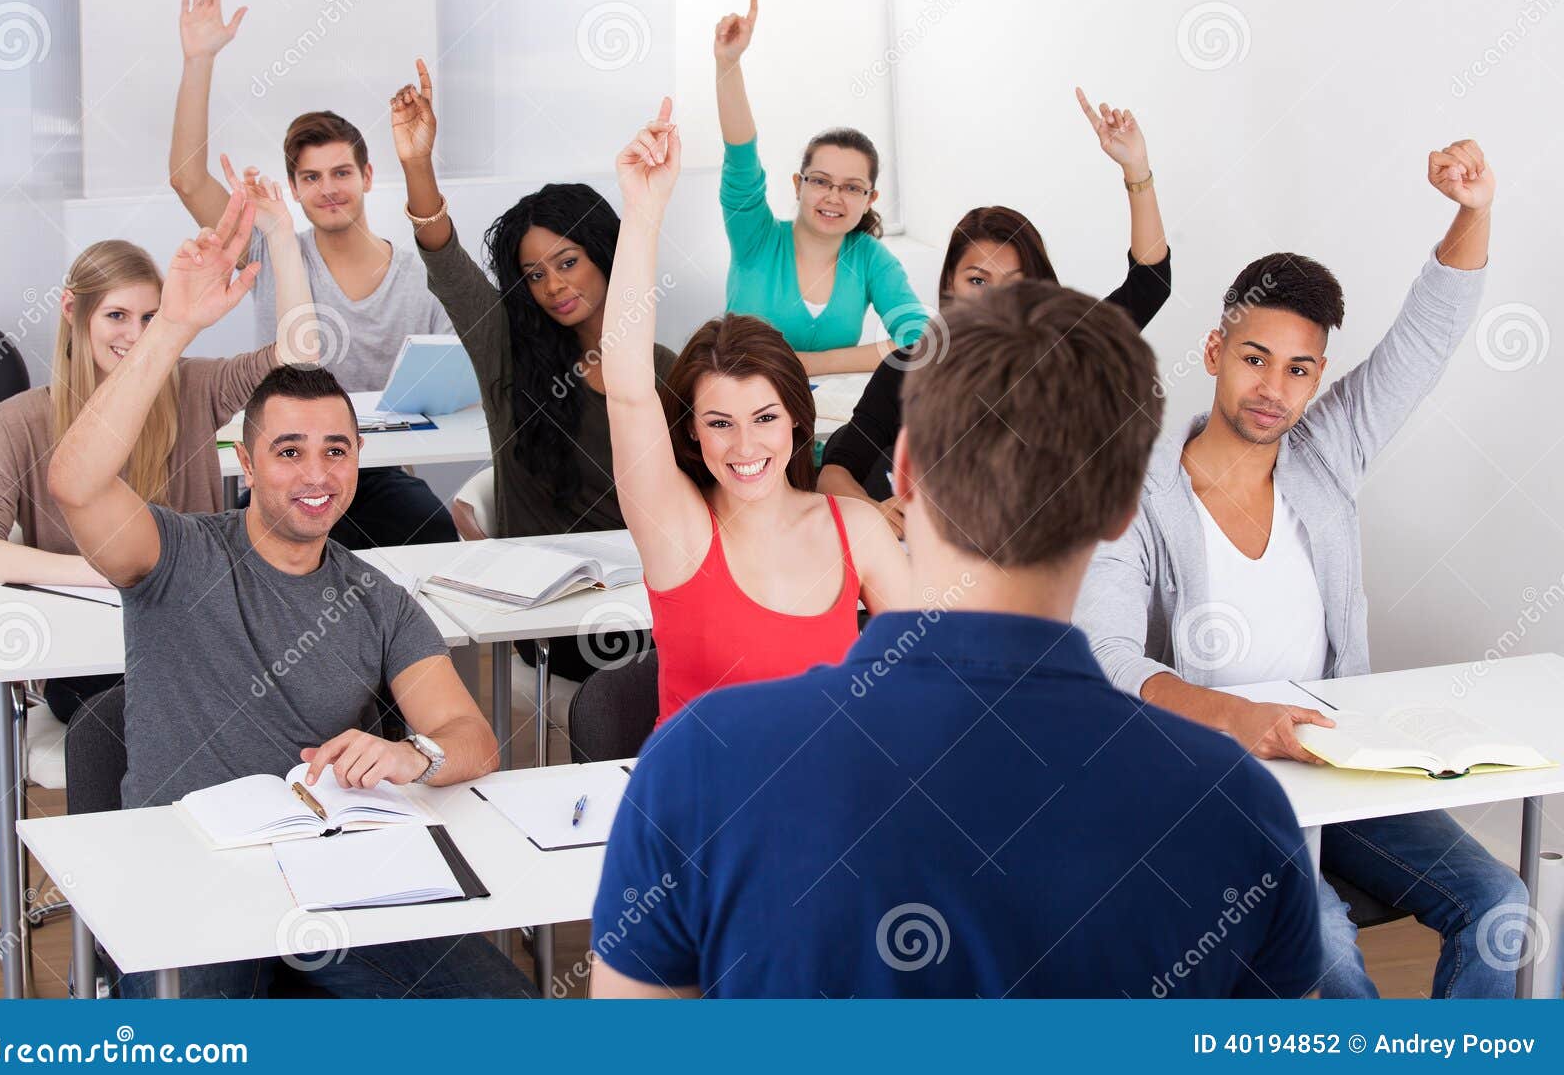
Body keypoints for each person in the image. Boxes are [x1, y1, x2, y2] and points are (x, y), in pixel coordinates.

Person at [590, 276, 1321, 998]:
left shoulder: (693, 766)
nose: (744, 442)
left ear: (902, 471)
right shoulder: (1239, 808)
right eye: (721, 422)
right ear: (1126, 507)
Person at [1074, 139, 1530, 998]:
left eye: (1298, 369)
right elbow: (1105, 657)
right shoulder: (1133, 490)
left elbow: (1423, 341)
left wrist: (1473, 211)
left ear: (1318, 378)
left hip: (1337, 773)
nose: (1272, 388)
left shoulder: (1328, 455)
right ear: (1214, 350)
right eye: (1255, 359)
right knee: (1321, 942)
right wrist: (1241, 719)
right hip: (1209, 789)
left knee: (1498, 900)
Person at [46, 193, 532, 999]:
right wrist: (173, 327)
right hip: (191, 874)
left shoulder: (378, 596)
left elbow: (470, 737)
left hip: (336, 868)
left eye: (336, 450)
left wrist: (416, 752)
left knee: (501, 1014)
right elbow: (75, 480)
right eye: (290, 450)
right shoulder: (176, 553)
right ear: (246, 456)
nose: (316, 474)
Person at [0, 158, 317, 736]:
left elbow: (301, 356)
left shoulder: (194, 385)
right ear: (72, 311)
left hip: (199, 629)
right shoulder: (20, 419)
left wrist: (279, 233)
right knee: (146, 720)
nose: (134, 333)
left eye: (150, 316)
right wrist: (105, 573)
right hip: (88, 651)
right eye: (116, 315)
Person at [601, 98, 907, 726]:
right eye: (720, 422)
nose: (745, 446)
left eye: (765, 418)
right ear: (691, 430)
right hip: (703, 811)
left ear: (797, 420)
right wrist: (643, 212)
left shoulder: (857, 530)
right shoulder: (677, 530)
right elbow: (630, 388)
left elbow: (933, 675)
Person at [390, 59, 675, 682]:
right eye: (535, 274)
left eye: (567, 262)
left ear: (604, 253)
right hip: (544, 613)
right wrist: (418, 164)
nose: (553, 286)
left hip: (646, 594)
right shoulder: (508, 349)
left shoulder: (663, 370)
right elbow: (445, 261)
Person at [167, 0, 457, 549]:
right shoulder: (272, 249)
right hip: (283, 476)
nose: (328, 188)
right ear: (294, 189)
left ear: (369, 176)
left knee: (434, 533)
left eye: (341, 172)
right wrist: (199, 60)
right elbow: (186, 177)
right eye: (311, 177)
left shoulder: (419, 276)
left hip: (375, 478)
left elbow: (449, 392)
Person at [819, 89, 1172, 535]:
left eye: (1016, 283)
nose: (996, 300)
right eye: (978, 281)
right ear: (950, 284)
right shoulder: (911, 365)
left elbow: (1150, 284)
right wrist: (872, 510)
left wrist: (1136, 170)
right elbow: (835, 467)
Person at [715, 0, 924, 375]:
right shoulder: (757, 239)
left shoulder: (870, 258)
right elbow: (741, 160)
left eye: (851, 187)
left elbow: (920, 340)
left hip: (824, 421)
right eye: (822, 181)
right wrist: (728, 65)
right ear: (798, 184)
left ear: (870, 198)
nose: (833, 196)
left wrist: (806, 365)